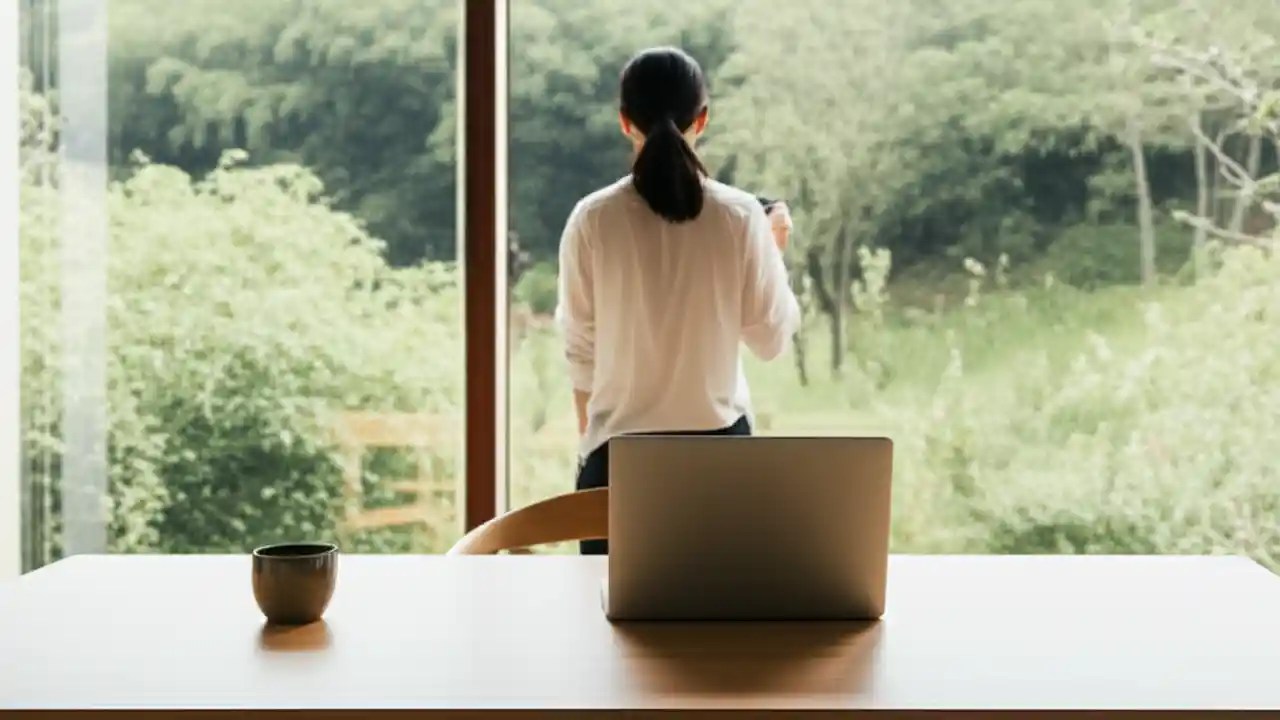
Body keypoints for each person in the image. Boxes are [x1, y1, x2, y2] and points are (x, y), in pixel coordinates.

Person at [555, 47, 801, 554]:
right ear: (702, 119)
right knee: (720, 626)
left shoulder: (592, 218)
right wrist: (773, 253)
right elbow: (771, 340)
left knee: (605, 625)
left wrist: (594, 447)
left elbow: (580, 351)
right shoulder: (739, 216)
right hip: (720, 463)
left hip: (616, 463)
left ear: (625, 122)